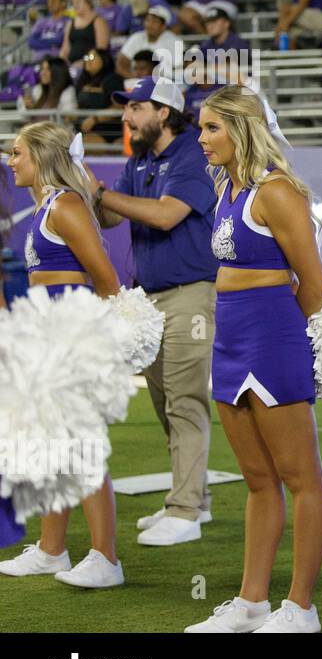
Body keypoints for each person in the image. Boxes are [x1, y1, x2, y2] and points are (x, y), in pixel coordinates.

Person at [185, 86, 322, 633]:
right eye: (201, 128)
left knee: (302, 478)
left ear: (242, 129)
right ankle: (251, 602)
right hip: (229, 344)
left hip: (273, 342)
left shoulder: (277, 193)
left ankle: (300, 606)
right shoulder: (227, 191)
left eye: (211, 128)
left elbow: (313, 285)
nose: (201, 139)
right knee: (257, 480)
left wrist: (285, 338)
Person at [94, 77, 219, 545]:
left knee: (186, 400)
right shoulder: (140, 159)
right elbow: (111, 216)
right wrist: (88, 190)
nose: (126, 117)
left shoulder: (192, 153)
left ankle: (184, 510)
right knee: (166, 402)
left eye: (135, 108)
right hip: (149, 294)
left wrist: (104, 196)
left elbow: (166, 215)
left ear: (164, 112)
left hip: (191, 291)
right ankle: (193, 500)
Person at [0, 123, 124, 587]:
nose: (11, 161)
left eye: (17, 153)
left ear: (42, 156)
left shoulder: (67, 205)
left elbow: (107, 279)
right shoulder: (45, 207)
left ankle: (106, 559)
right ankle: (53, 549)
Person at [75, 48, 125, 149]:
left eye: (92, 57)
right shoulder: (83, 81)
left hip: (107, 132)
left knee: (80, 148)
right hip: (82, 131)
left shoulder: (113, 79)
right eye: (86, 57)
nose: (88, 60)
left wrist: (95, 119)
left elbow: (119, 107)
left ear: (104, 59)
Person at [117, 5, 184, 80]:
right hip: (135, 81)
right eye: (148, 20)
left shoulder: (174, 41)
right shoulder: (136, 37)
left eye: (155, 21)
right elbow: (122, 62)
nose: (150, 24)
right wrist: (133, 78)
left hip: (164, 82)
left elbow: (178, 69)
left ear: (163, 26)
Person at [59, 0, 110, 71]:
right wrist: (61, 62)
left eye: (78, 2)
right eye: (73, 3)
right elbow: (65, 48)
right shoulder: (70, 23)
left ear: (88, 3)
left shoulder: (98, 22)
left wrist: (85, 61)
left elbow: (101, 50)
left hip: (91, 63)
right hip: (72, 65)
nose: (75, 5)